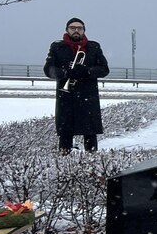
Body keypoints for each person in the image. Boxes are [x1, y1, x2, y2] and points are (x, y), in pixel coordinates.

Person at [43, 17, 110, 153]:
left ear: (84, 30)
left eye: (79, 28)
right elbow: (48, 69)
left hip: (88, 96)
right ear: (67, 30)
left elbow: (104, 69)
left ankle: (92, 160)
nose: (76, 30)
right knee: (65, 134)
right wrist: (64, 72)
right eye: (73, 28)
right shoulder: (57, 47)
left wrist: (87, 71)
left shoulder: (94, 47)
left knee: (90, 133)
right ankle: (64, 161)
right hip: (66, 96)